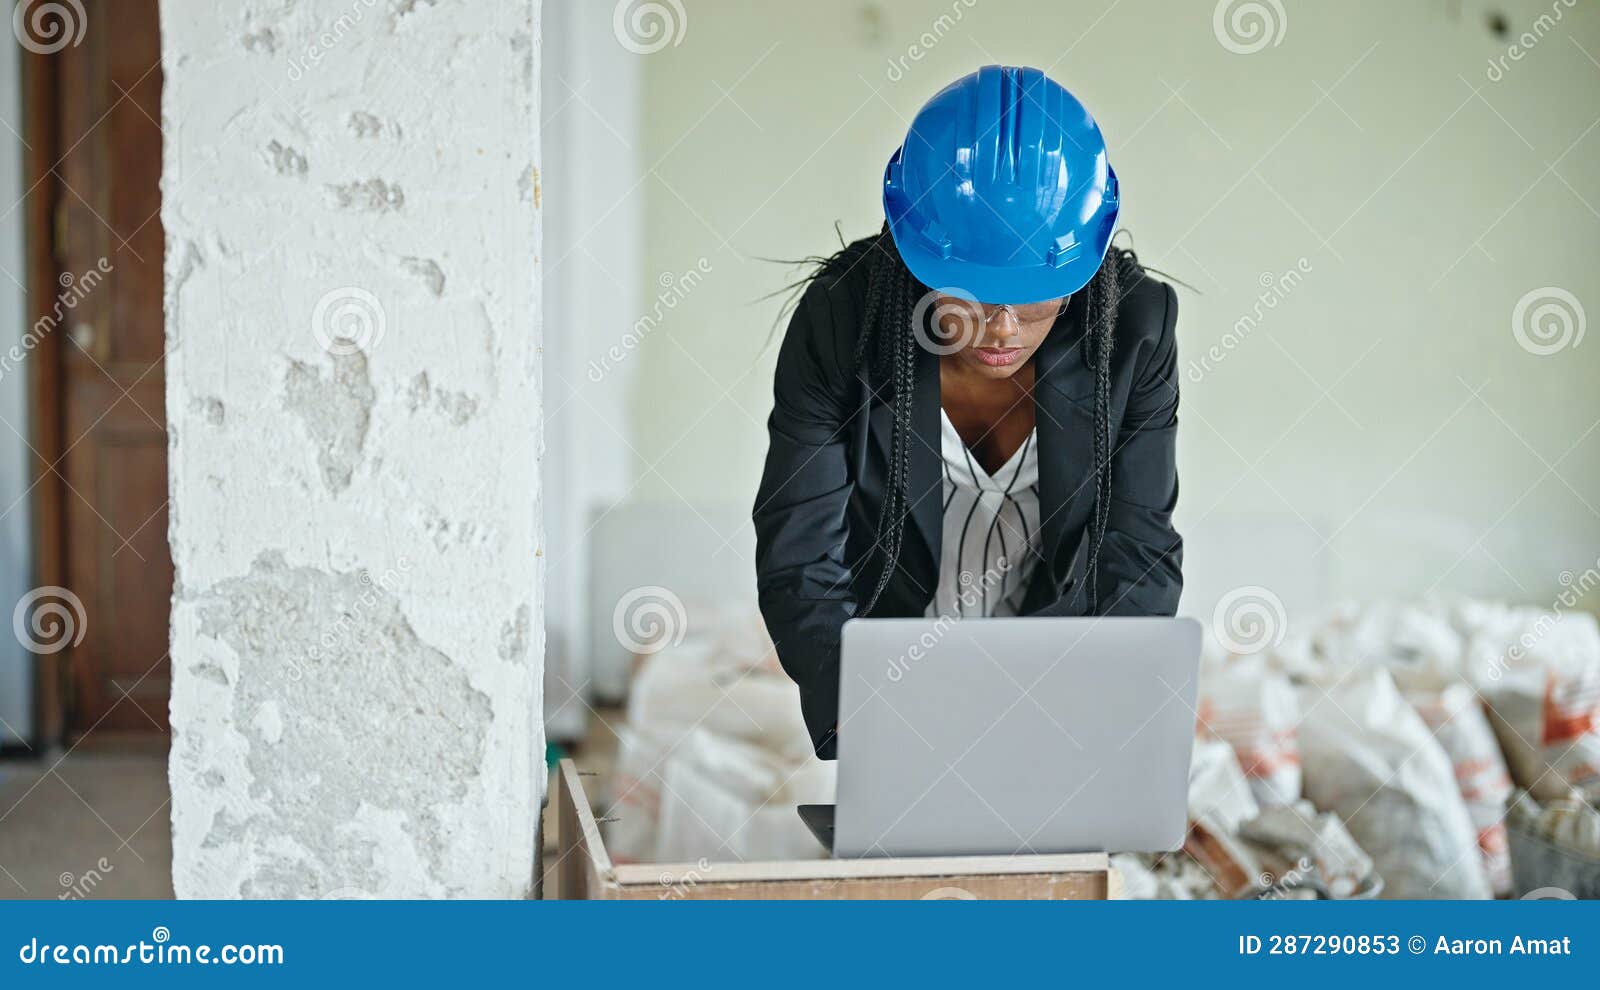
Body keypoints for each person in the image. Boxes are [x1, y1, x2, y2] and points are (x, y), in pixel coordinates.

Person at [753, 65, 1182, 759]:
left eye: (1036, 296)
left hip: (1063, 686)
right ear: (915, 256)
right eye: (974, 296)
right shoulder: (842, 323)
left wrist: (1101, 727)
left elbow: (1137, 553)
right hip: (886, 682)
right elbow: (800, 557)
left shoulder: (1135, 330)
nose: (1004, 328)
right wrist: (870, 725)